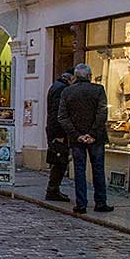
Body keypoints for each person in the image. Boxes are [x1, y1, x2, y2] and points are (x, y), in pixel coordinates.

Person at [58, 63, 114, 215]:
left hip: (78, 139)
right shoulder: (98, 90)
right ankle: (100, 202)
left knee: (79, 170)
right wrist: (93, 134)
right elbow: (102, 114)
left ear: (75, 76)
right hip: (96, 139)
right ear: (89, 76)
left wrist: (77, 135)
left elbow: (62, 117)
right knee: (98, 169)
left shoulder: (67, 92)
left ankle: (81, 204)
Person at [44, 71, 75, 202]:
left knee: (58, 161)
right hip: (57, 131)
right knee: (60, 161)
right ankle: (52, 190)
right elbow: (58, 113)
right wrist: (59, 134)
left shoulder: (56, 86)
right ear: (71, 78)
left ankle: (53, 189)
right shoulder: (61, 89)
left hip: (54, 129)